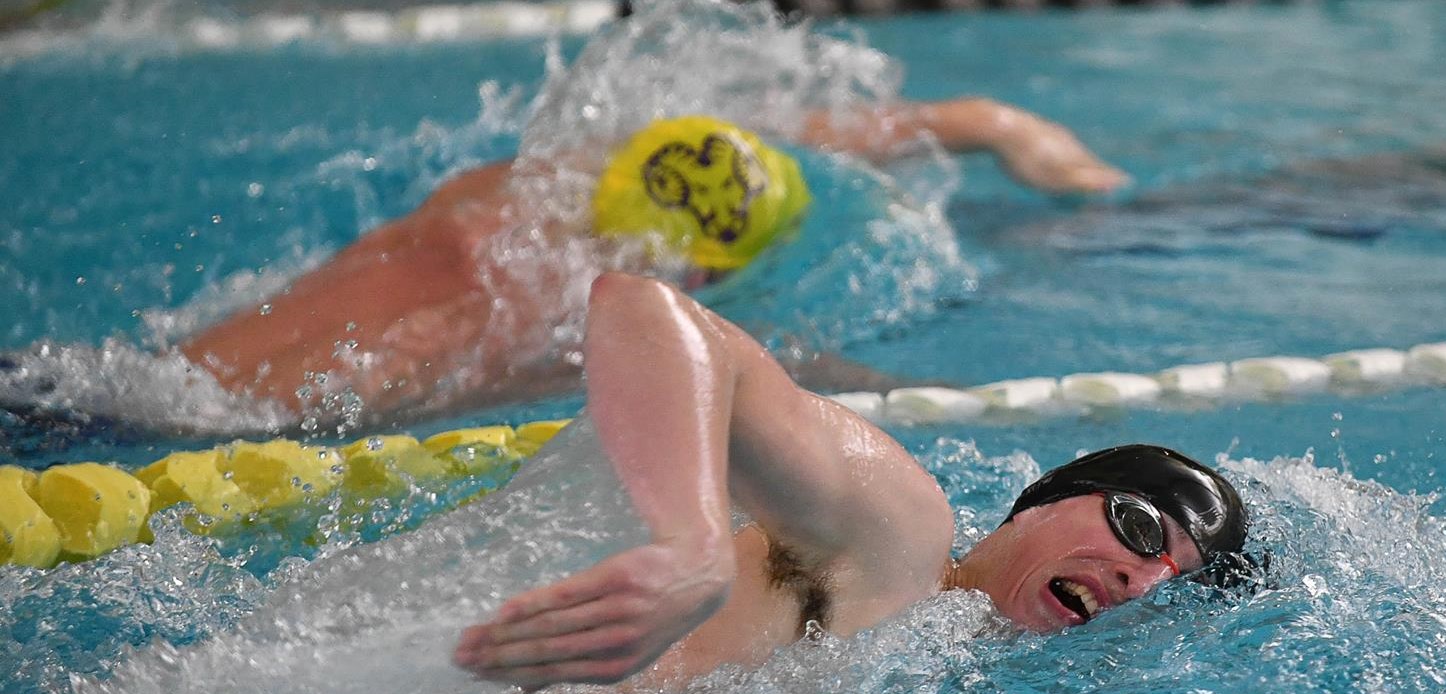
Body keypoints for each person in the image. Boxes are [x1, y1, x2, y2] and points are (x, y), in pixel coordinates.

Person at [452, 272, 1250, 693]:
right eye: (1142, 531)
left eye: (1170, 582)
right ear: (1044, 501)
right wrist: (687, 549)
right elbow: (644, 308)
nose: (1142, 582)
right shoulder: (897, 534)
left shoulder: (941, 678)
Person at [166, 100, 1129, 430]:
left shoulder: (498, 189)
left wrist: (978, 123)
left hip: (130, 374)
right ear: (703, 274)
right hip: (170, 434)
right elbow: (752, 373)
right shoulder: (560, 312)